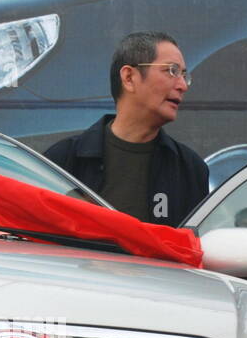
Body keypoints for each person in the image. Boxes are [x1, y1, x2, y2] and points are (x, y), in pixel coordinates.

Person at [44, 31, 209, 227]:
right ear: (129, 77)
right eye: (171, 71)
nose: (183, 85)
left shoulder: (189, 168)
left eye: (184, 75)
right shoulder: (63, 161)